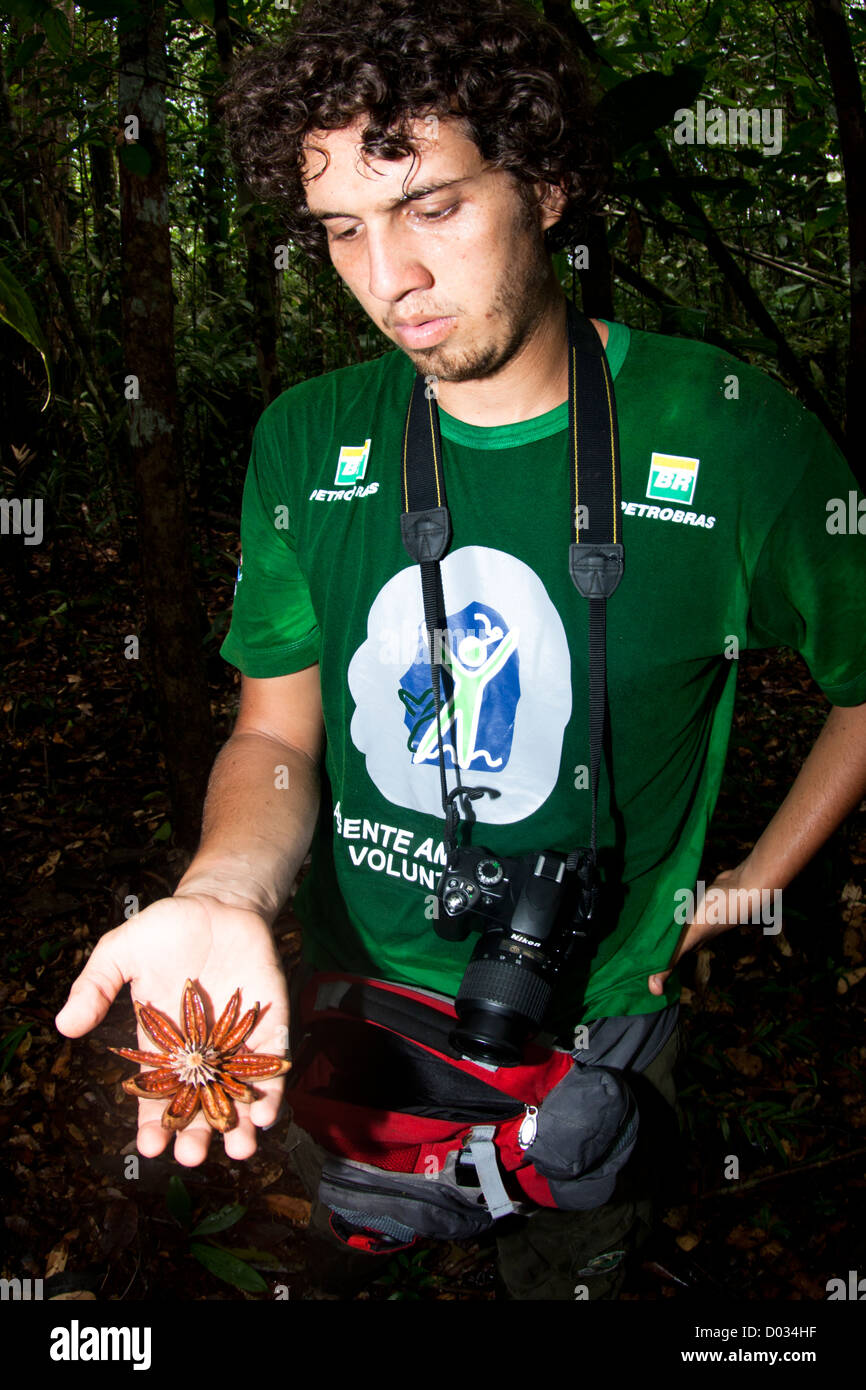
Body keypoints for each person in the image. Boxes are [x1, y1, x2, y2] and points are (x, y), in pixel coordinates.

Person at [57, 0, 866, 1300]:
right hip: (354, 1002)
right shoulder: (306, 439)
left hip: (596, 1012)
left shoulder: (728, 435)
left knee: (574, 1261)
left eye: (430, 206)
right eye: (340, 229)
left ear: (544, 180)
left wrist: (747, 881)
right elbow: (274, 730)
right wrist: (221, 890)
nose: (390, 281)